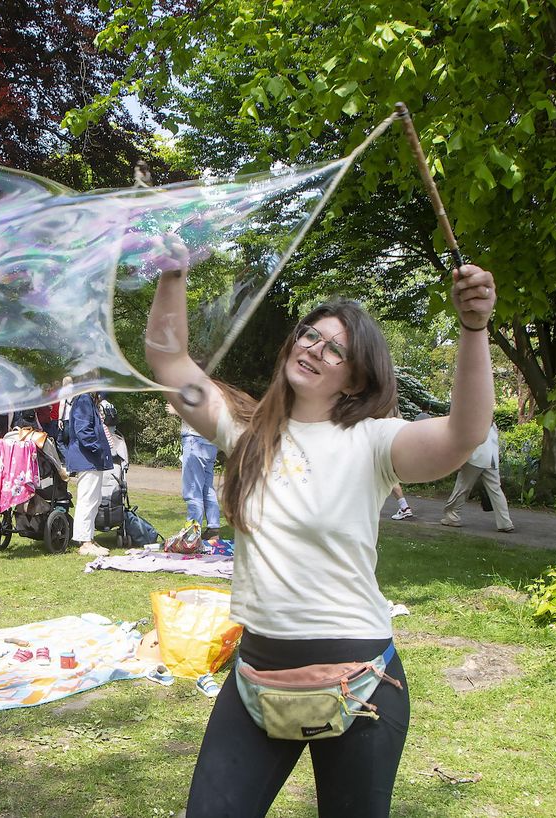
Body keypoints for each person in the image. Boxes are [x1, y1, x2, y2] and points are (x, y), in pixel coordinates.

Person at [144, 231, 498, 817]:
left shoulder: (375, 442)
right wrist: (173, 275)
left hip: (361, 684)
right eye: (310, 334)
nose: (314, 348)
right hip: (257, 676)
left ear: (355, 379)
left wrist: (473, 329)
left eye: (336, 349)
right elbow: (168, 360)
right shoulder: (245, 430)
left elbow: (464, 433)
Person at [440, 422, 515, 533]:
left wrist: (458, 459)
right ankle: (505, 522)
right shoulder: (492, 423)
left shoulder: (473, 420)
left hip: (475, 458)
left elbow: (465, 440)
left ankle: (452, 516)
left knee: (462, 488)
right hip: (492, 459)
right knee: (496, 491)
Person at [66, 390, 114, 555]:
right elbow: (83, 430)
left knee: (94, 500)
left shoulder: (87, 400)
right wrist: (98, 448)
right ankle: (85, 543)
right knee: (87, 500)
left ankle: (89, 538)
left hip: (90, 459)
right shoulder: (84, 399)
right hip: (87, 458)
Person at [169, 403, 222, 538]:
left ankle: (193, 532)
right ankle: (213, 529)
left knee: (193, 489)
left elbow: (196, 413)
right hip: (210, 443)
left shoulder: (195, 394)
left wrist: (177, 410)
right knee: (207, 488)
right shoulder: (213, 395)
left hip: (195, 441)